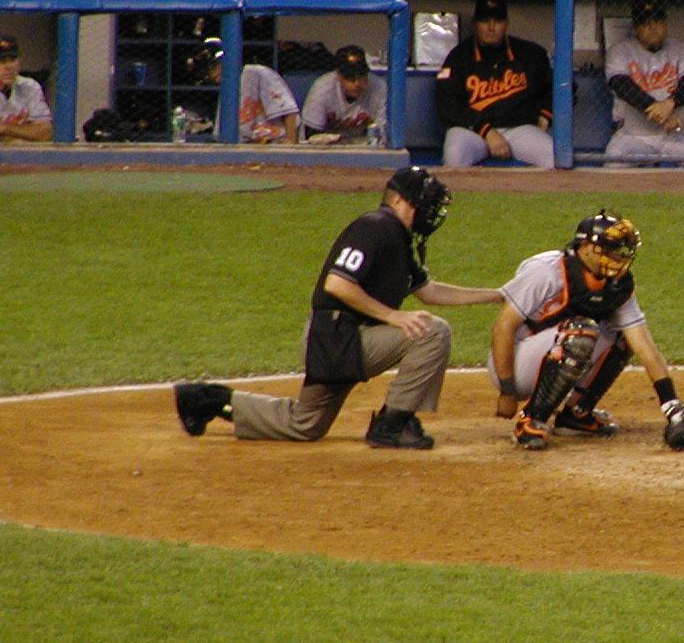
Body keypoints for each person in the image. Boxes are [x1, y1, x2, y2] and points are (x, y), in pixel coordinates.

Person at [175, 166, 502, 450]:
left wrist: (496, 295)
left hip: (342, 339)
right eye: (424, 201)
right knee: (431, 333)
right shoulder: (375, 227)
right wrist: (392, 316)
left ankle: (207, 400)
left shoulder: (399, 239)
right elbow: (338, 283)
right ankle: (393, 424)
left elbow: (429, 292)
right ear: (399, 201)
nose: (429, 210)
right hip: (335, 338)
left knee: (304, 425)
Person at [489, 211, 684, 453]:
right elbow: (502, 327)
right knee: (581, 330)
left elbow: (643, 345)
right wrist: (507, 391)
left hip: (559, 347)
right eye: (610, 249)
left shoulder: (617, 285)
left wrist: (671, 405)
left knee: (622, 336)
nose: (618, 257)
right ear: (586, 247)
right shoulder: (547, 271)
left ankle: (577, 414)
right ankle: (531, 419)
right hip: (515, 362)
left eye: (620, 250)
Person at [434, 0, 553, 168]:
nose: (491, 27)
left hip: (518, 129)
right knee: (454, 154)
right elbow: (447, 105)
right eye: (484, 21)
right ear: (475, 24)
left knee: (553, 155)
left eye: (497, 21)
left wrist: (546, 113)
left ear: (506, 24)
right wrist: (486, 131)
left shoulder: (530, 54)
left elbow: (562, 87)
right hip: (473, 131)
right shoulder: (458, 57)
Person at [602, 0, 684, 164]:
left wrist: (670, 103)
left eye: (657, 21)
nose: (652, 28)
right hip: (634, 137)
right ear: (635, 29)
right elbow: (622, 86)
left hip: (677, 137)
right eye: (645, 23)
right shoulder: (620, 51)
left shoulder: (683, 49)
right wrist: (663, 113)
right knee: (614, 159)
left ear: (665, 24)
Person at [187, 39, 299, 141]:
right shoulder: (226, 90)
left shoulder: (256, 73)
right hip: (251, 147)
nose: (211, 75)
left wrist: (290, 140)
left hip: (277, 142)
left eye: (212, 67)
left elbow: (289, 110)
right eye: (206, 73)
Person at [302, 44, 387, 141]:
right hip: (326, 150)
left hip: (363, 149)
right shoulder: (322, 89)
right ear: (338, 75)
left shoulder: (379, 88)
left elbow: (383, 134)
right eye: (350, 77)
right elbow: (310, 137)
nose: (357, 83)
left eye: (361, 76)